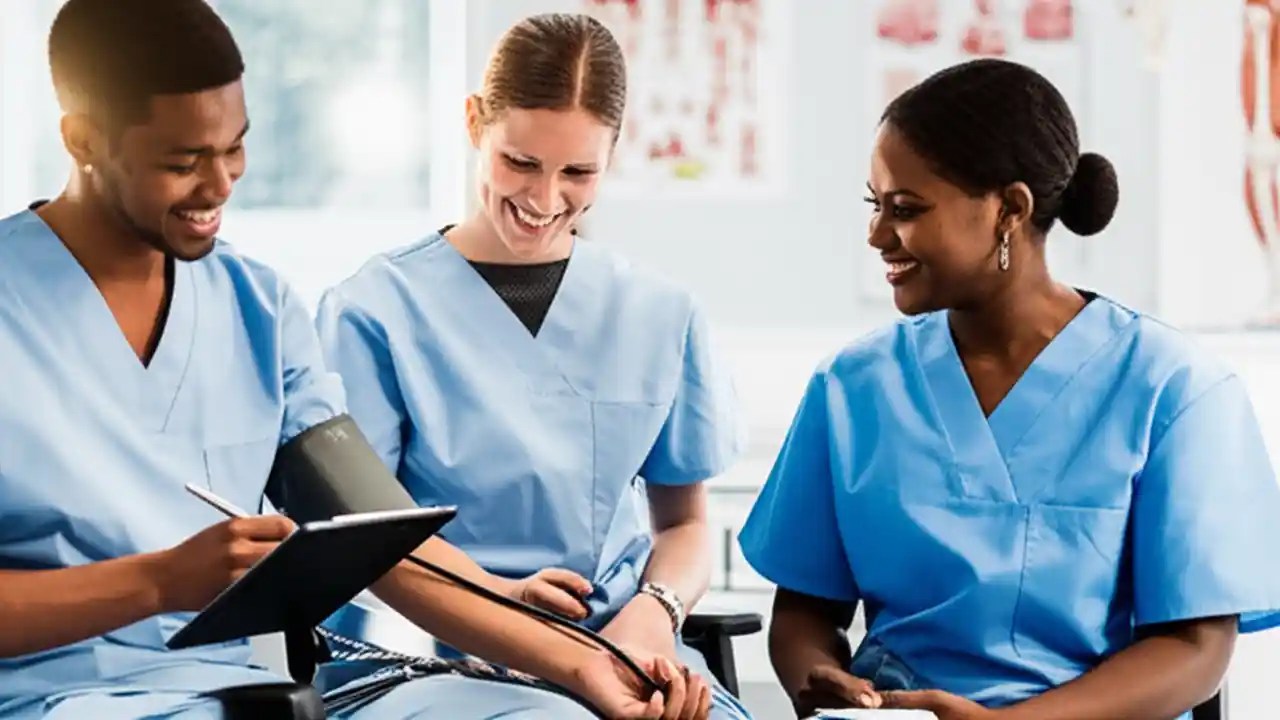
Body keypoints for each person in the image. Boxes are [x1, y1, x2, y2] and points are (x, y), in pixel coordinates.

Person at [0, 1, 688, 718]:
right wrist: (160, 582)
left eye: (235, 148)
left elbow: (379, 537)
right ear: (83, 139)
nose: (219, 184)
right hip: (46, 696)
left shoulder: (258, 309)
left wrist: (584, 665)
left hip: (240, 698)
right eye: (182, 162)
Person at [738, 58, 1280, 720]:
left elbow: (1196, 648)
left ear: (1009, 211)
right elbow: (803, 612)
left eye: (904, 210)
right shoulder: (851, 388)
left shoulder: (1176, 390)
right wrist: (823, 680)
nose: (877, 235)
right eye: (874, 206)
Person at [314, 12, 750, 720]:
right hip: (426, 660)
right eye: (519, 162)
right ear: (473, 123)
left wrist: (655, 609)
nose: (546, 201)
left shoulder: (658, 312)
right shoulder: (374, 311)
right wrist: (505, 601)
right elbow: (370, 543)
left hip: (624, 648)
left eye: (579, 172)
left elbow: (684, 526)